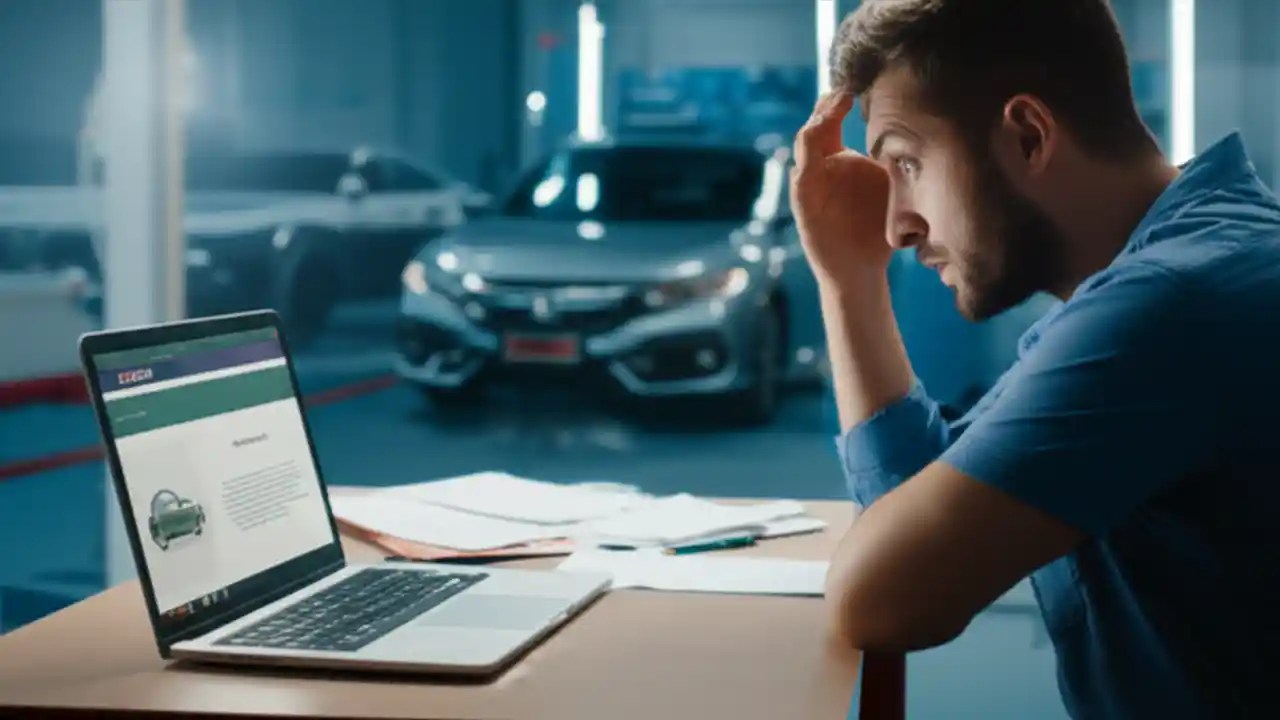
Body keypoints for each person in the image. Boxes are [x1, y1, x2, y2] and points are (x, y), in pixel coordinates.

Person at [795, 1, 1280, 717]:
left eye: (907, 161)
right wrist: (850, 281)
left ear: (1027, 135)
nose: (897, 225)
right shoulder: (1184, 267)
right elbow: (914, 509)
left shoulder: (1173, 304)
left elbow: (887, 600)